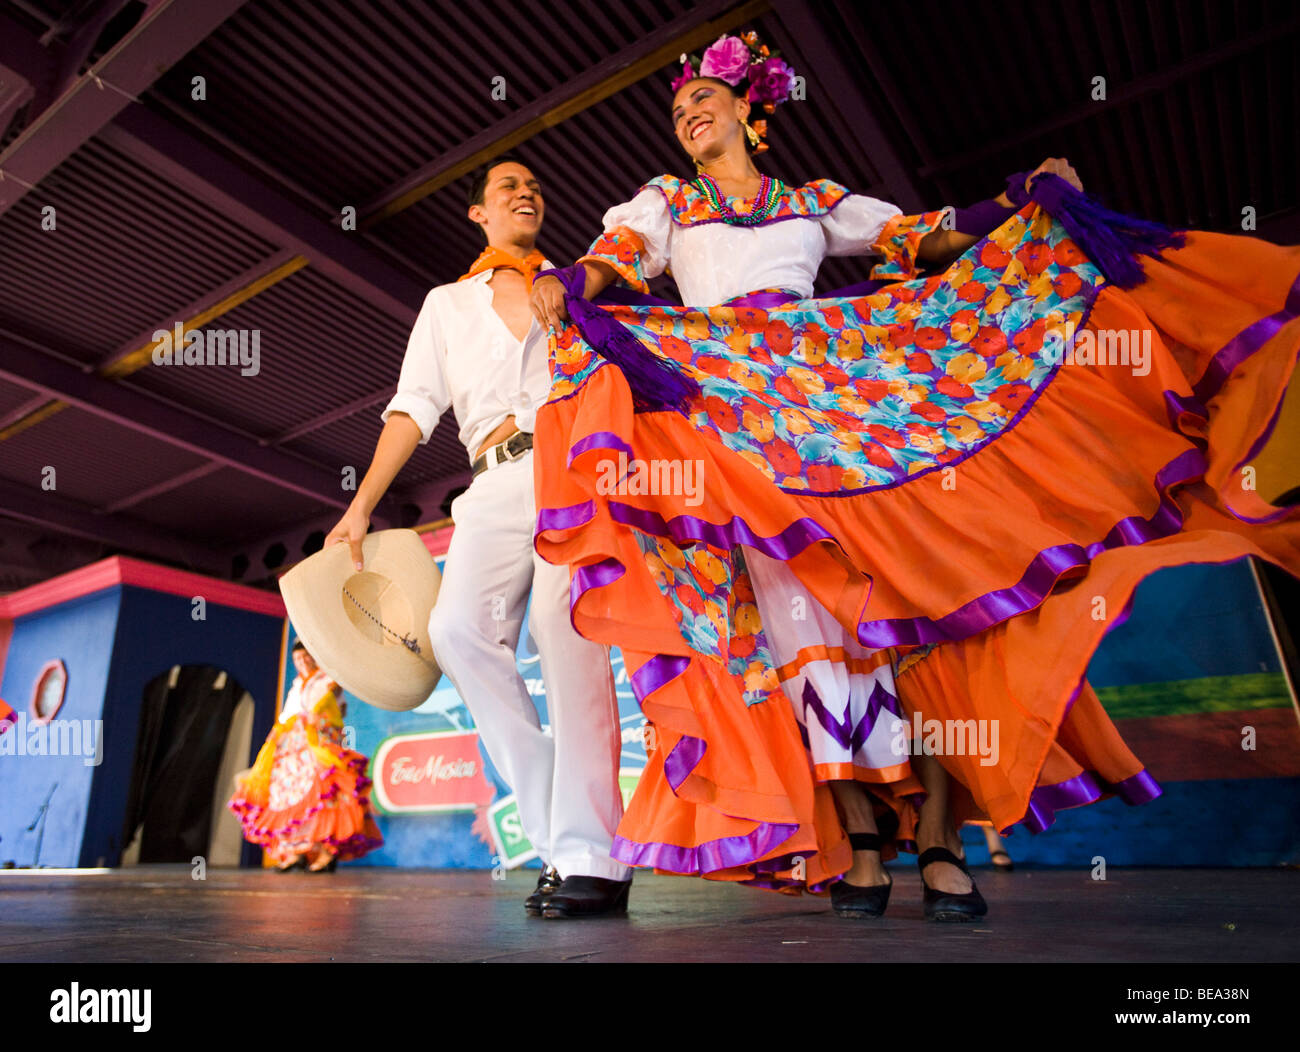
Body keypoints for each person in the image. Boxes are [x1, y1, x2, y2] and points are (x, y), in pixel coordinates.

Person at [528, 32, 1299, 918]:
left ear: (749, 109)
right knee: (796, 620)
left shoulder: (813, 199)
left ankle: (938, 838)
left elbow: (918, 239)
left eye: (704, 97)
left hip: (846, 394)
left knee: (912, 605)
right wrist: (574, 279)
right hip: (739, 408)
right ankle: (861, 840)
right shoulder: (665, 200)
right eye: (677, 109)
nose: (689, 113)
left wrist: (1023, 201)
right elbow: (621, 255)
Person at [324, 157, 631, 918]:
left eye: (535, 185)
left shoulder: (577, 287)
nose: (526, 192)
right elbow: (413, 406)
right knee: (457, 632)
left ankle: (592, 857)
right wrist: (360, 506)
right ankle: (563, 838)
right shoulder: (447, 304)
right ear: (479, 214)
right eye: (508, 187)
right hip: (491, 480)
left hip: (573, 470)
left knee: (572, 645)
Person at [229, 641, 383, 871]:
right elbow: (285, 717)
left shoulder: (328, 680)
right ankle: (294, 851)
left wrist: (320, 714)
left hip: (319, 749)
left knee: (323, 798)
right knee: (286, 797)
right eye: (298, 659)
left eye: (306, 657)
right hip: (294, 751)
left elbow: (337, 709)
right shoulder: (296, 685)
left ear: (314, 656)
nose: (302, 662)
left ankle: (325, 852)